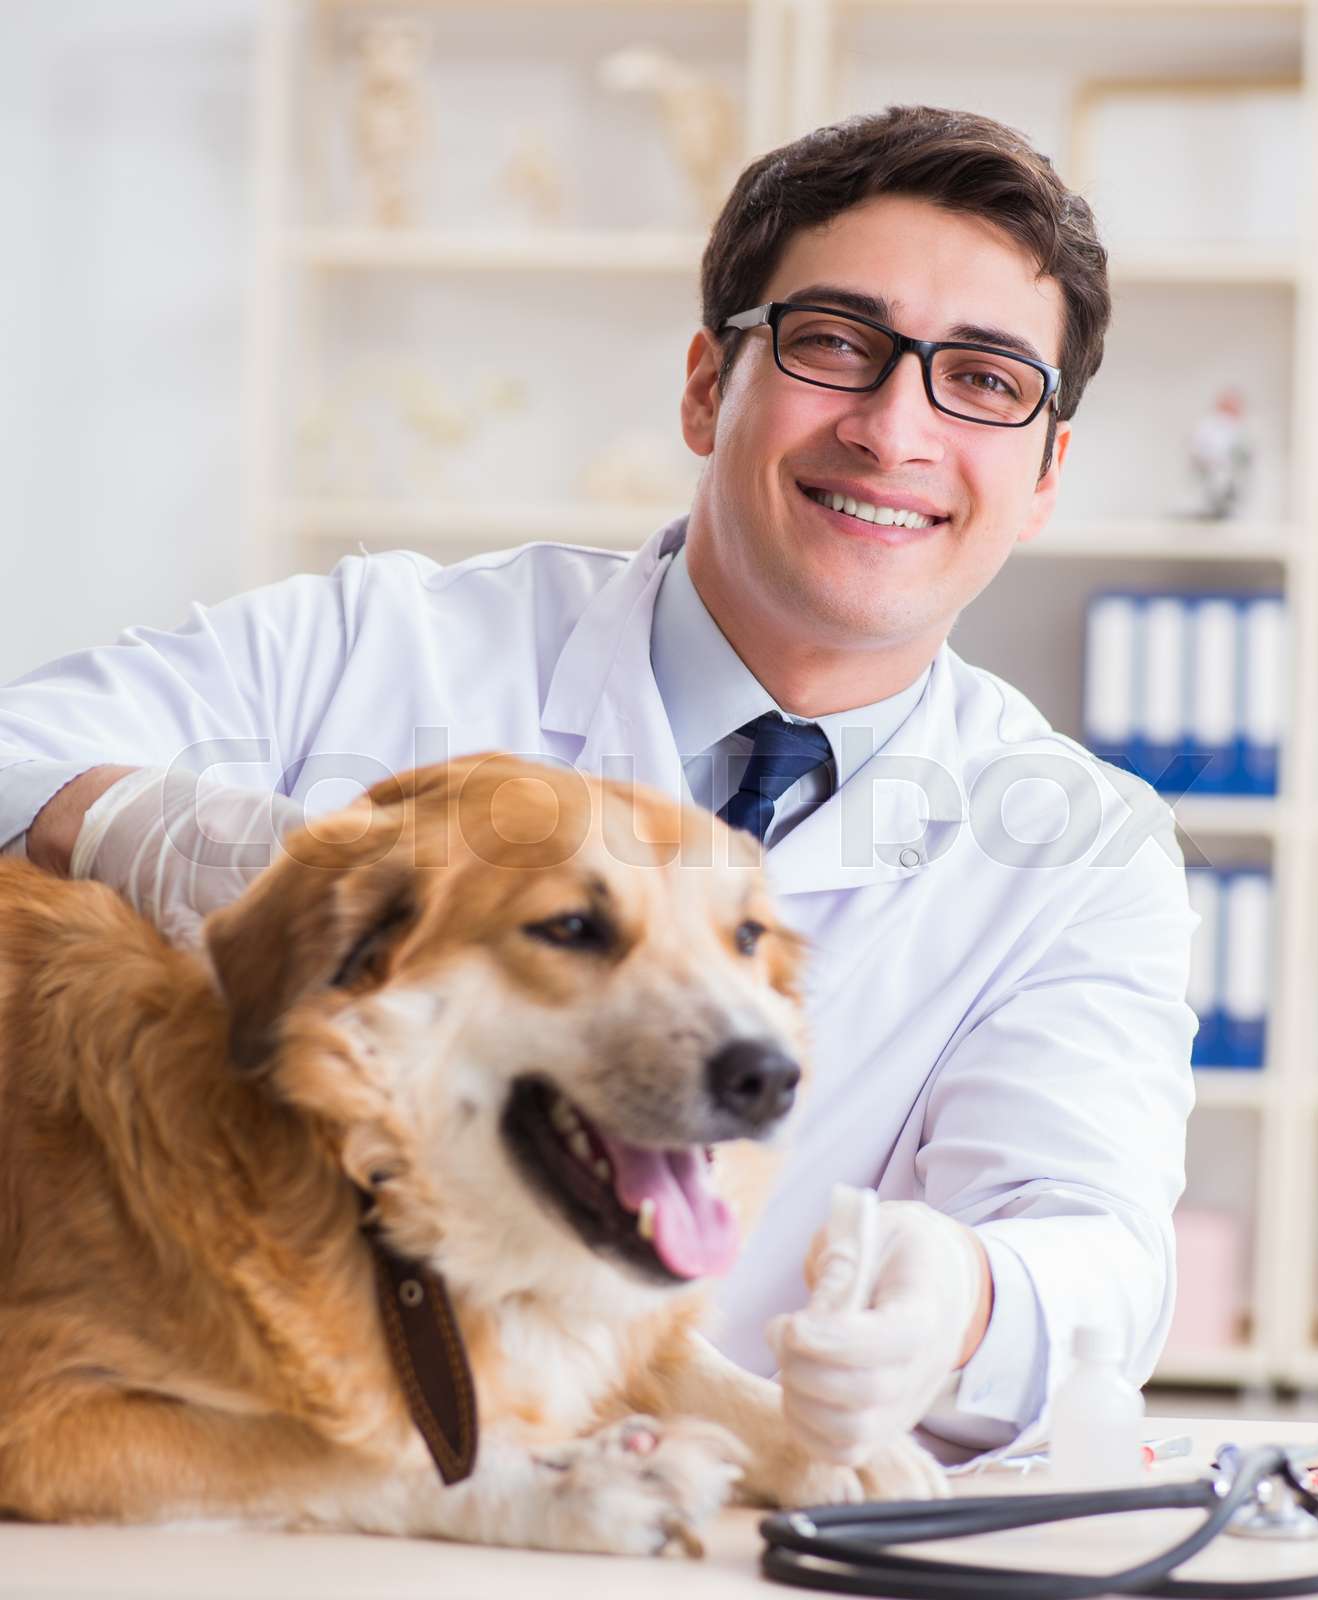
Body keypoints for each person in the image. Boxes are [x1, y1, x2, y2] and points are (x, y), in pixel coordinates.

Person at [0, 105, 1194, 1470]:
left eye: (983, 379)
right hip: (293, 1492)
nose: (892, 427)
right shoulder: (377, 642)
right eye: (832, 343)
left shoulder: (1083, 851)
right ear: (706, 386)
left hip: (728, 1520)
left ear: (1042, 477)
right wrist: (178, 839)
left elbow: (1097, 1255)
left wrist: (962, 1301)